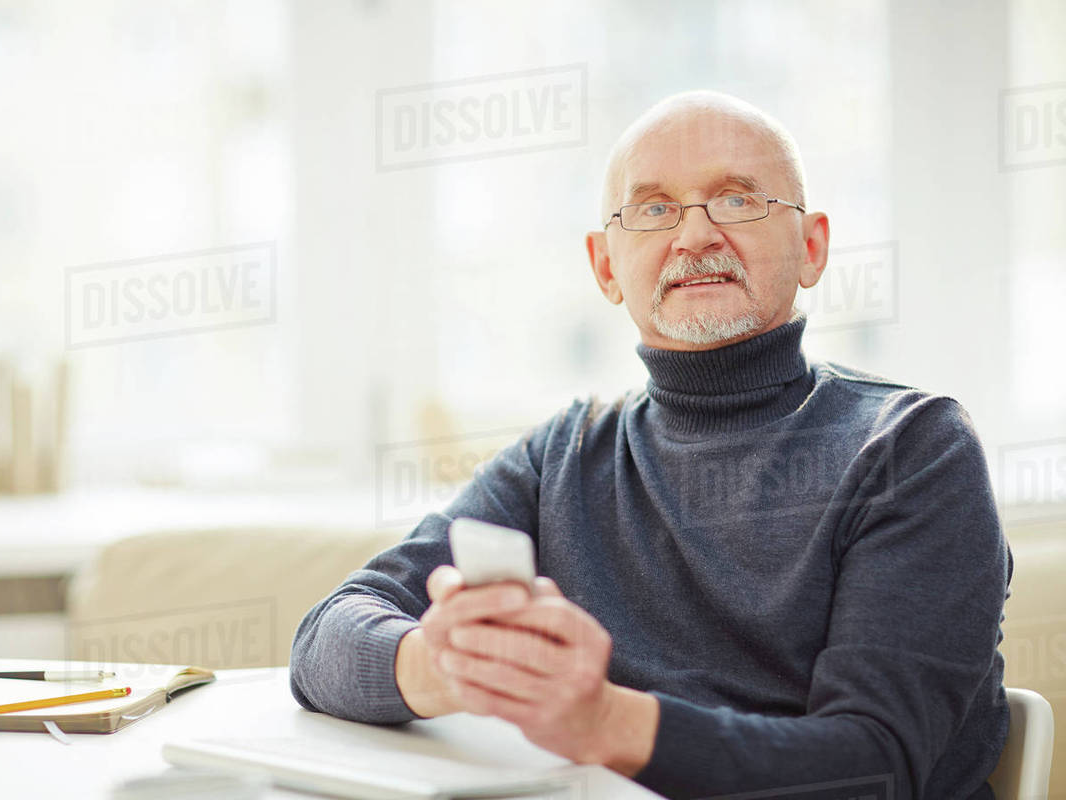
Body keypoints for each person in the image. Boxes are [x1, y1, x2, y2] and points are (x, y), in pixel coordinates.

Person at [289, 90, 1011, 799]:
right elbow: (325, 640)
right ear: (606, 266)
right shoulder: (563, 456)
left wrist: (601, 721)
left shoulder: (914, 450)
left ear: (812, 247)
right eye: (654, 208)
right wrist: (448, 668)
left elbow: (873, 768)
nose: (695, 236)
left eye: (737, 198)